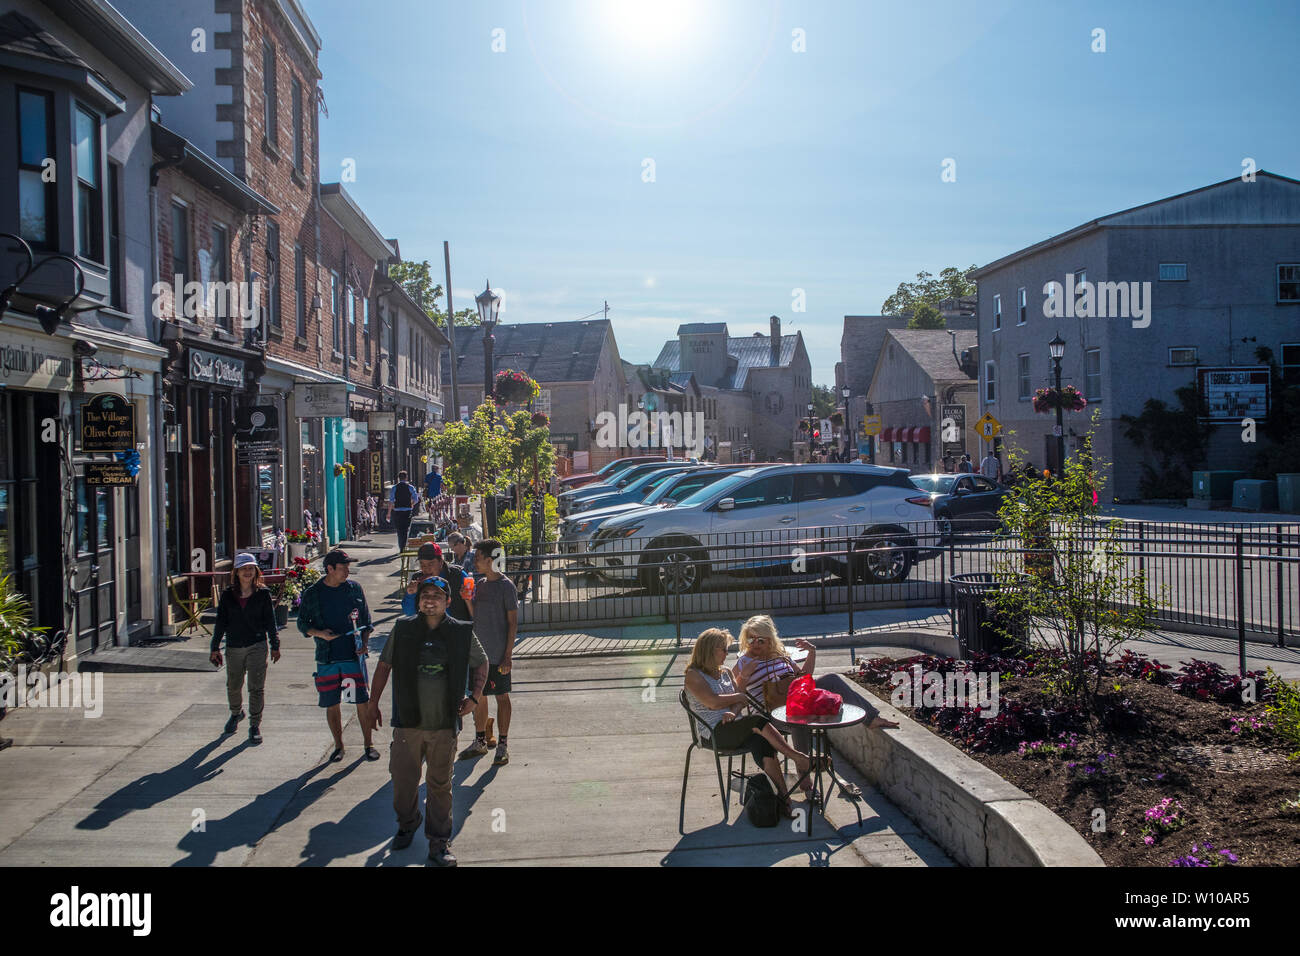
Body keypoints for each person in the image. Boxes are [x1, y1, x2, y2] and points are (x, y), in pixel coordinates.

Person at [368, 576, 488, 867]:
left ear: (448, 601)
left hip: (444, 723)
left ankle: (438, 843)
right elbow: (384, 665)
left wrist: (473, 697)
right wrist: (372, 704)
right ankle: (407, 824)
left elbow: (481, 661)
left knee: (439, 785)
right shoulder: (404, 628)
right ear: (418, 600)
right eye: (425, 594)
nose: (430, 599)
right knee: (404, 782)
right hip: (408, 722)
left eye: (437, 594)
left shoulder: (461, 632)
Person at [683, 628, 813, 817]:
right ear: (709, 650)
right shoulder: (693, 675)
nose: (727, 654)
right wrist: (736, 698)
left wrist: (733, 711)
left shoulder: (726, 672)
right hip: (713, 732)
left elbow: (739, 702)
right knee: (758, 721)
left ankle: (785, 799)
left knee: (763, 743)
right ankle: (797, 757)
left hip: (734, 725)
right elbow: (712, 702)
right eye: (724, 650)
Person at [297, 549, 379, 762]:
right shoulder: (313, 593)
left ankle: (368, 744)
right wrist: (320, 634)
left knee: (361, 701)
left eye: (348, 568)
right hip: (328, 658)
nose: (347, 572)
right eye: (343, 568)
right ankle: (339, 746)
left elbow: (366, 622)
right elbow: (302, 624)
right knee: (332, 703)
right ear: (330, 569)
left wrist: (365, 644)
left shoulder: (354, 589)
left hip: (353, 657)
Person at [457, 539, 518, 766]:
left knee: (502, 697)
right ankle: (480, 740)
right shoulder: (479, 584)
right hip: (478, 655)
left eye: (478, 557)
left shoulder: (506, 587)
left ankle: (502, 744)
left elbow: (513, 623)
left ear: (490, 560)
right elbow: (476, 616)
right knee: (478, 696)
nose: (475, 560)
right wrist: (467, 600)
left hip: (498, 654)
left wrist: (508, 654)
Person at [209, 553, 280, 743]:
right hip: (234, 646)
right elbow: (221, 622)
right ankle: (235, 713)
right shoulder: (227, 595)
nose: (247, 572)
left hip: (257, 645)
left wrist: (275, 645)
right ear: (237, 572)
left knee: (256, 688)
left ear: (256, 571)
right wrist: (214, 647)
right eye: (244, 569)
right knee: (233, 685)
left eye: (251, 568)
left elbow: (270, 622)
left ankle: (255, 724)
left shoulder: (263, 594)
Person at [402, 542, 472, 621]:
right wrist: (411, 594)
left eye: (430, 564)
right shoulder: (417, 579)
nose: (426, 569)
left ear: (441, 562)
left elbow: (474, 608)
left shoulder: (458, 575)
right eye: (422, 564)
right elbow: (409, 613)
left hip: (456, 628)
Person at [387, 470, 421, 554]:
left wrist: (388, 513)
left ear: (399, 478)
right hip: (407, 510)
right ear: (406, 478)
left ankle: (401, 546)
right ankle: (403, 546)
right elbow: (416, 499)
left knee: (399, 530)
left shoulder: (394, 488)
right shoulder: (410, 487)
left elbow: (391, 501)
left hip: (397, 511)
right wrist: (412, 503)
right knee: (405, 529)